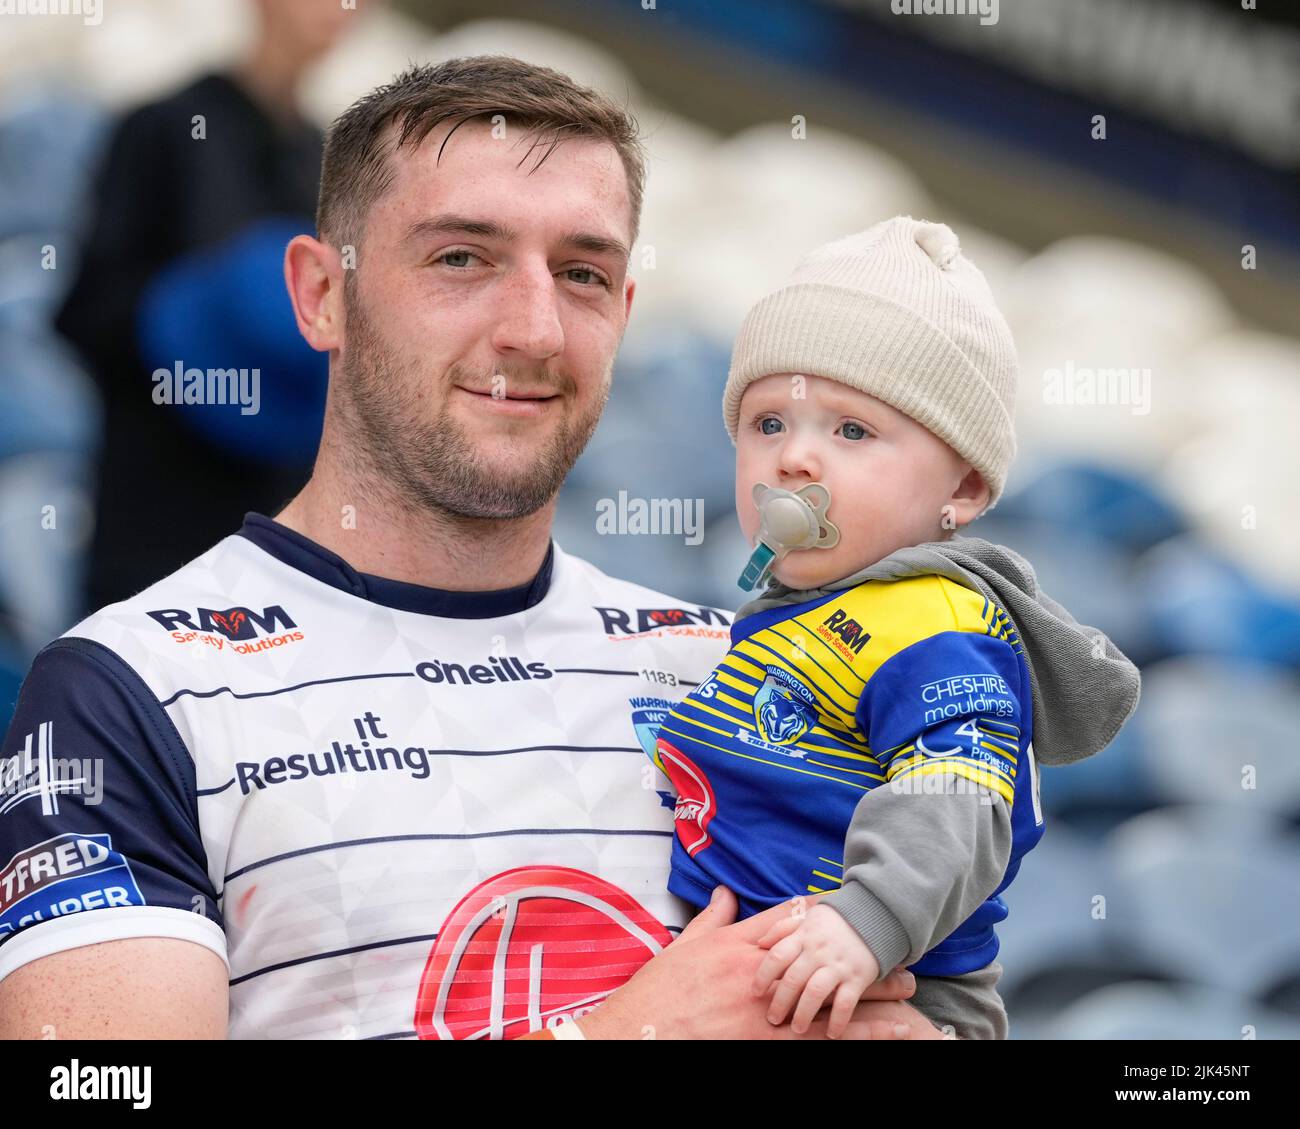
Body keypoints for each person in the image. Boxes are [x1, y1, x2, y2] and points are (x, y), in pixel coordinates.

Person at [0, 56, 937, 1040]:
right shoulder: (128, 691)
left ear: (621, 317)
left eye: (581, 273)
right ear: (321, 294)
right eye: (461, 258)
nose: (534, 327)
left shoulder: (738, 670)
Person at [652, 217, 1142, 1039]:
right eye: (769, 422)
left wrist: (866, 920)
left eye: (852, 430)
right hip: (769, 973)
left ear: (966, 486)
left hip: (887, 992)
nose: (795, 459)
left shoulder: (936, 623)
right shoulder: (797, 609)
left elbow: (956, 797)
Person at [55, 0, 356, 612]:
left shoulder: (330, 160)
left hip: (278, 515)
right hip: (156, 507)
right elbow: (86, 312)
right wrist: (200, 328)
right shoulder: (165, 127)